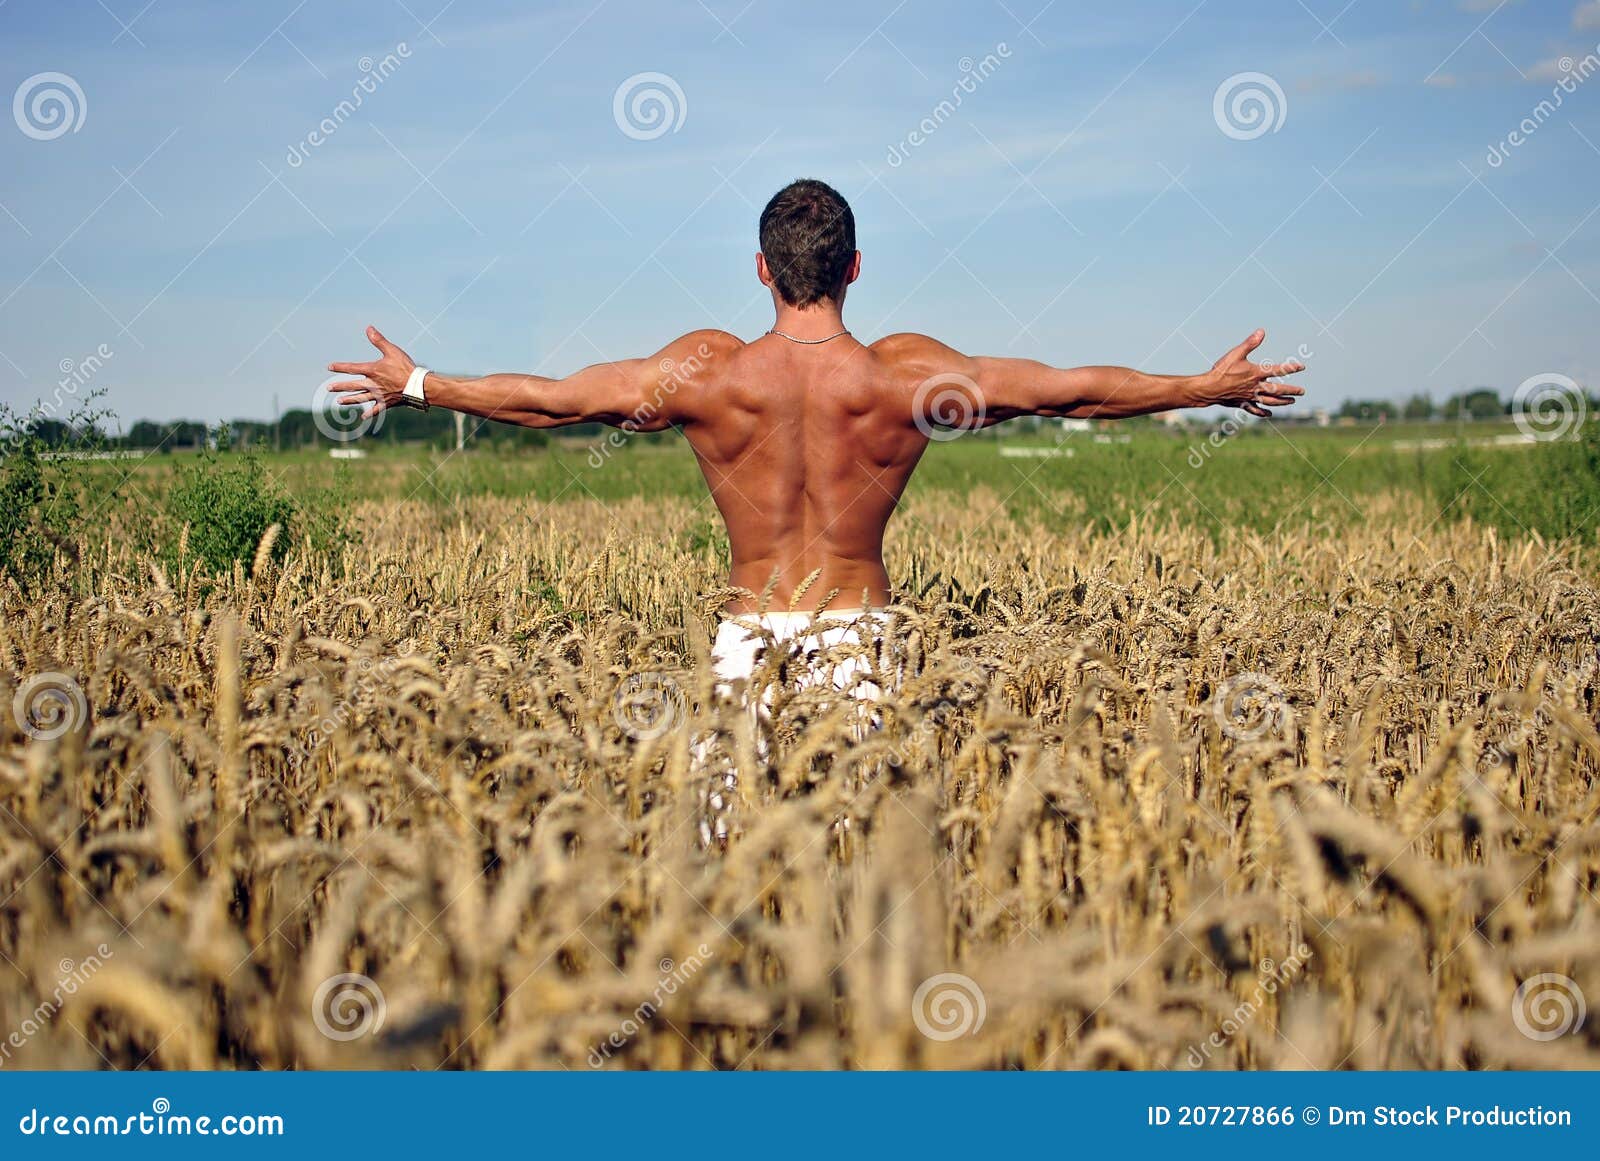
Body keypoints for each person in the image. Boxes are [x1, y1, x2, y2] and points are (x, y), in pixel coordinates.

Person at [326, 178, 1306, 695]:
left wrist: (417, 383)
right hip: (860, 639)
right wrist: (1206, 387)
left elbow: (553, 402)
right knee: (855, 885)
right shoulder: (903, 379)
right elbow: (1067, 392)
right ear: (856, 266)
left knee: (726, 900)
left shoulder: (708, 372)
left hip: (745, 636)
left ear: (759, 268)